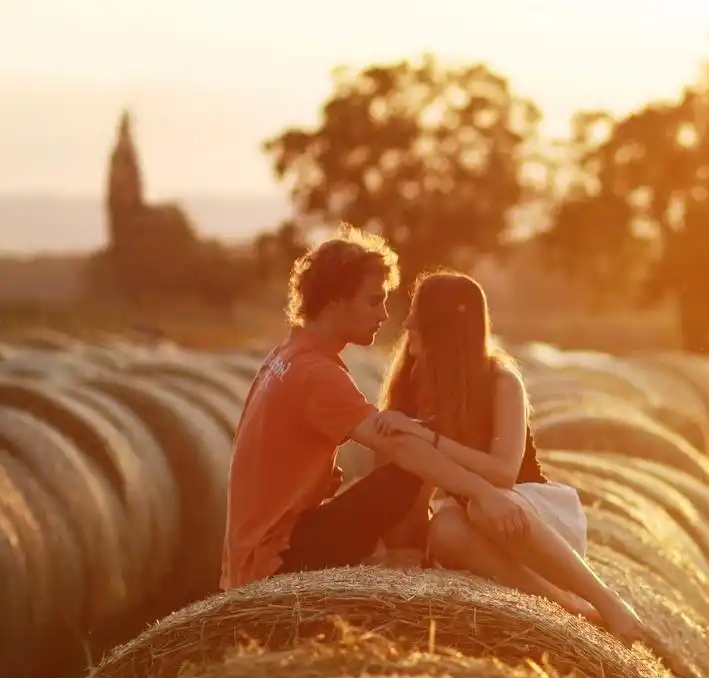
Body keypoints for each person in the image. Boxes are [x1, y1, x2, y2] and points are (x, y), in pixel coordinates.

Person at [221, 225, 530, 594]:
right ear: (335, 300)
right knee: (404, 470)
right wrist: (485, 494)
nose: (385, 316)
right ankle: (412, 567)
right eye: (373, 301)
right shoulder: (316, 374)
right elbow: (398, 447)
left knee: (399, 466)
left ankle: (401, 561)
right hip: (276, 562)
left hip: (253, 555)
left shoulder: (285, 357)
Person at [375, 269, 650, 644]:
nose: (406, 321)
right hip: (480, 524)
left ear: (443, 328)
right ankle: (570, 610)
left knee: (481, 504)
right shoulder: (413, 381)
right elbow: (413, 478)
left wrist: (427, 435)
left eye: (417, 314)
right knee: (445, 529)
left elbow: (503, 473)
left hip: (535, 520)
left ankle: (607, 600)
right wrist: (403, 554)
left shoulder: (502, 381)